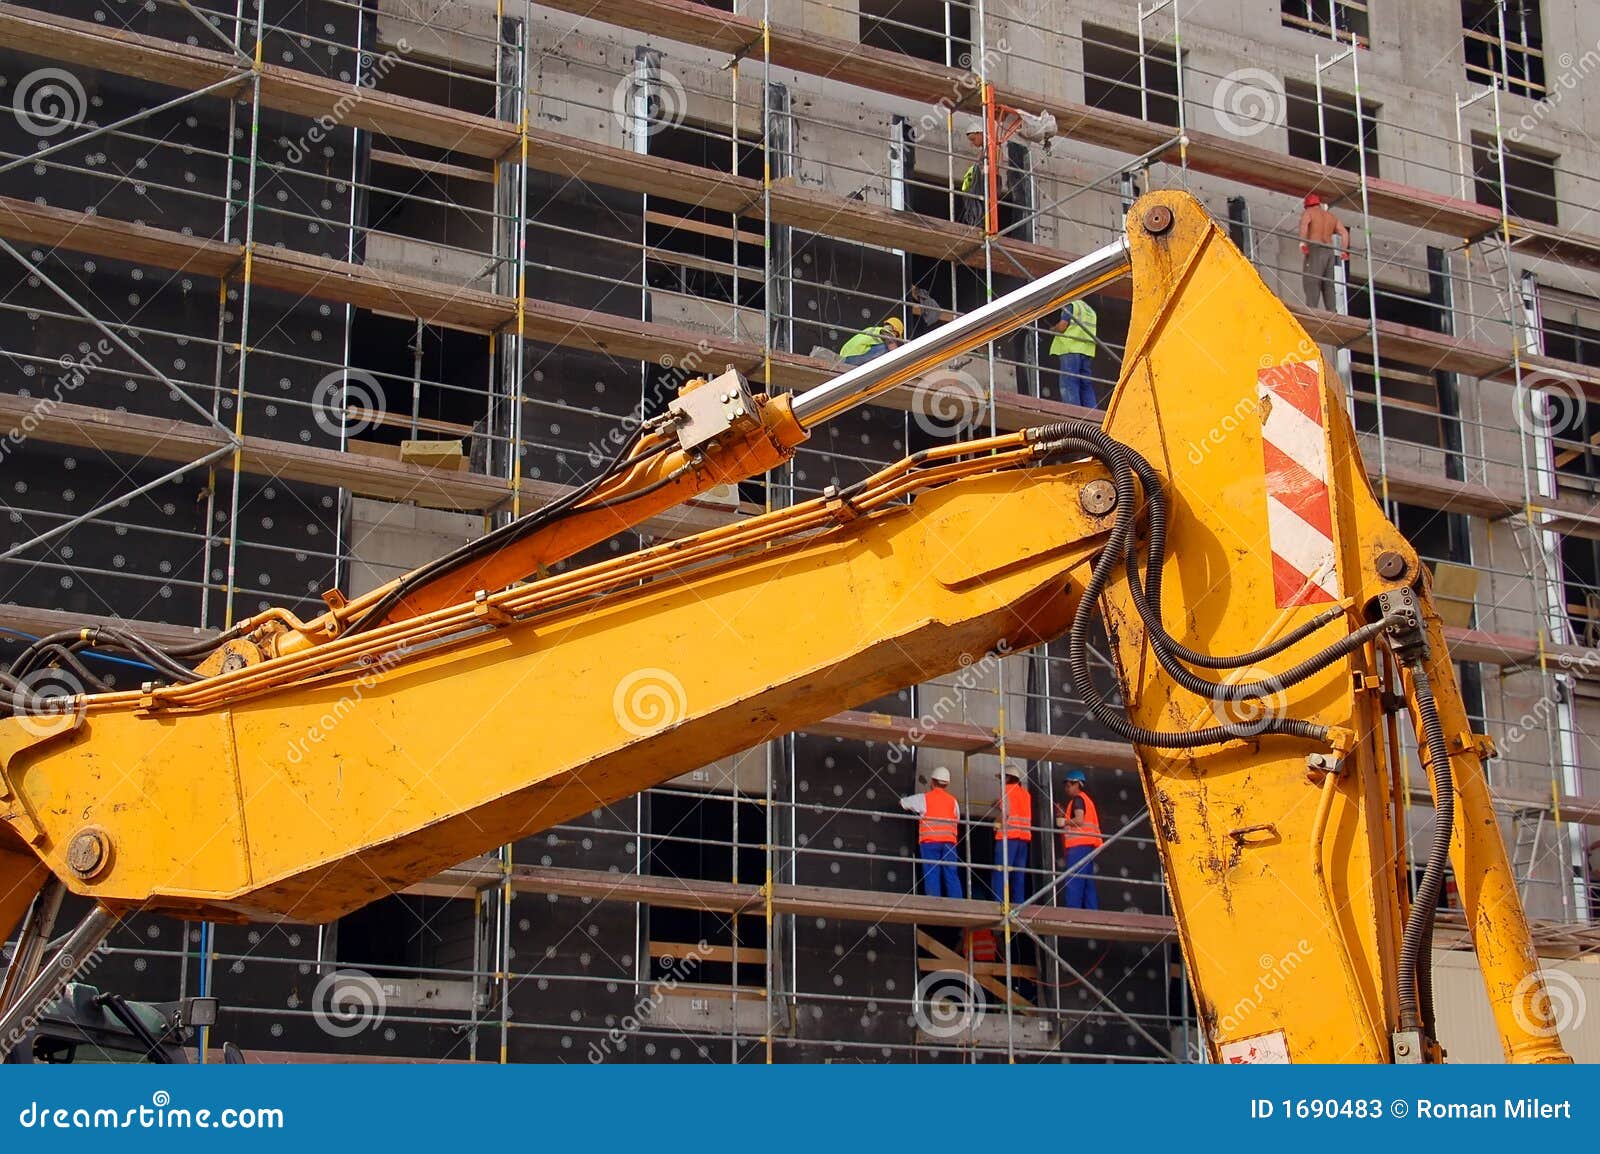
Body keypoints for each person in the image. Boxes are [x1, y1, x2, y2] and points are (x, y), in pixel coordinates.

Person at [899, 766, 963, 898]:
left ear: (932, 781)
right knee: (951, 873)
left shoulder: (924, 798)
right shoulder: (953, 801)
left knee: (931, 873)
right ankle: (957, 903)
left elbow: (903, 803)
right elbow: (957, 819)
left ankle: (933, 902)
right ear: (947, 783)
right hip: (949, 844)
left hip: (930, 843)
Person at [1056, 769, 1102, 910]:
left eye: (1068, 785)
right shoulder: (1086, 800)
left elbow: (1079, 820)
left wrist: (1064, 822)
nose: (1066, 789)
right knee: (1087, 883)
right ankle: (1092, 914)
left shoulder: (1078, 799)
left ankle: (1072, 912)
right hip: (1088, 846)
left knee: (1074, 880)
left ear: (1077, 784)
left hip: (1079, 847)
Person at [1299, 192, 1350, 313]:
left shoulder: (1309, 212)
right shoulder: (1331, 217)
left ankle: (1311, 310)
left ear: (1307, 205)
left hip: (1315, 248)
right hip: (1330, 251)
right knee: (1328, 284)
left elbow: (1304, 225)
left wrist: (1302, 243)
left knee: (1312, 280)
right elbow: (1344, 233)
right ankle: (1332, 312)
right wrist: (1343, 251)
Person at [991, 763, 1032, 905]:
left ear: (1007, 778)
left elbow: (1006, 813)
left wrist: (995, 823)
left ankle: (999, 904)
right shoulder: (1025, 794)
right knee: (1018, 875)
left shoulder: (1006, 790)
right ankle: (1017, 906)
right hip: (1023, 839)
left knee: (1001, 872)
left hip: (1008, 838)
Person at [1050, 298, 1099, 409]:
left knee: (1069, 383)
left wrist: (1053, 329)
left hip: (1070, 349)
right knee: (1085, 384)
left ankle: (1073, 412)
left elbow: (1062, 327)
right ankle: (1091, 412)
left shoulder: (1071, 306)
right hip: (1086, 350)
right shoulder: (1089, 310)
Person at [838, 315, 904, 366]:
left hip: (845, 358)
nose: (895, 338)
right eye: (897, 336)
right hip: (852, 359)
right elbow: (891, 344)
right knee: (887, 349)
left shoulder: (872, 330)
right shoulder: (884, 332)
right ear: (894, 330)